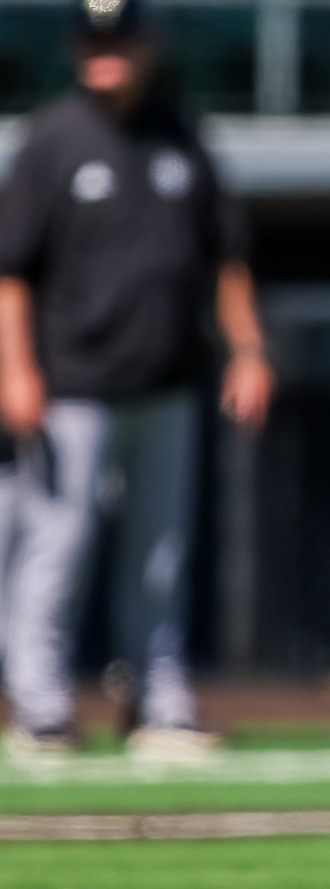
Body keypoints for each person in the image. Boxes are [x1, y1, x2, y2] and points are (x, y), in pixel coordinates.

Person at [0, 0, 272, 763]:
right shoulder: (52, 140)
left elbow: (226, 255)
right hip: (73, 385)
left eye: (119, 41)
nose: (106, 54)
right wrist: (15, 372)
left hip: (167, 381)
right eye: (93, 41)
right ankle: (41, 707)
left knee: (159, 555)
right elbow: (11, 274)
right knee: (59, 545)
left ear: (148, 46)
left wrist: (247, 349)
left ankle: (158, 702)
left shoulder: (180, 133)